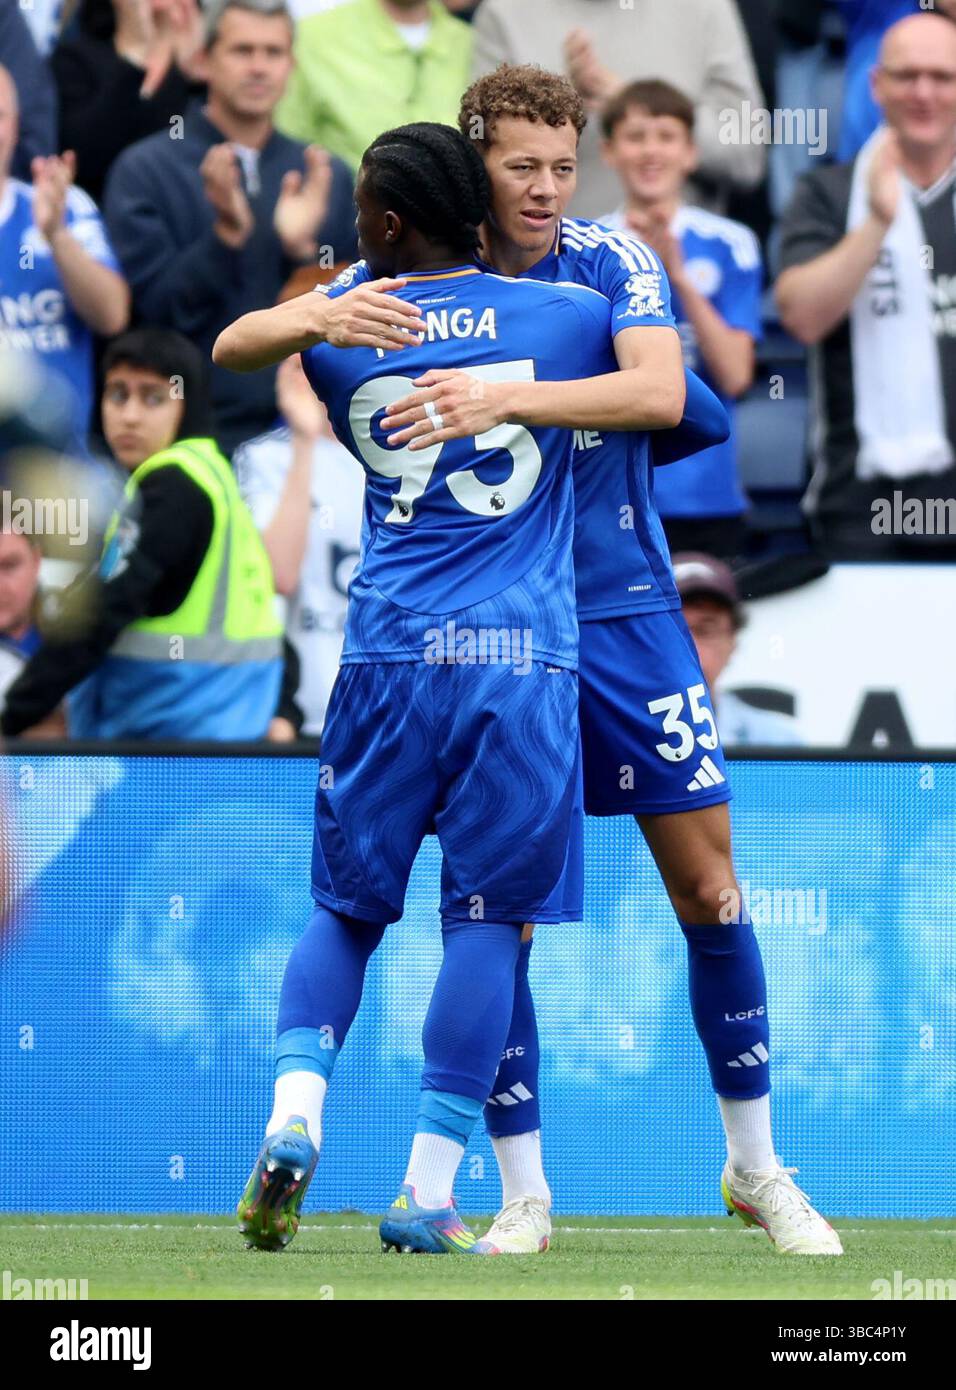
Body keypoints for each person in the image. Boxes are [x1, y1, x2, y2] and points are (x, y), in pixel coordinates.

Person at [376, 64, 841, 1256]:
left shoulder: (608, 260)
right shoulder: (419, 269)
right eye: (518, 166)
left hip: (627, 615)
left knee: (709, 890)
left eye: (557, 166)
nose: (542, 190)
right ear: (471, 159)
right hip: (498, 628)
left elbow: (659, 392)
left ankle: (754, 1167)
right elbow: (287, 348)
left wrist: (507, 392)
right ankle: (524, 1192)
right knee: (501, 911)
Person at [218, 121, 627, 1256]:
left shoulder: (343, 339)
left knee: (347, 909)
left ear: (388, 223)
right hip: (519, 666)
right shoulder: (569, 321)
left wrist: (315, 306)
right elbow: (667, 399)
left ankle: (294, 1117)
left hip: (387, 655)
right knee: (488, 926)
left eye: (361, 209)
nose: (353, 226)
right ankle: (426, 1189)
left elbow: (228, 346)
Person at [0, 328, 282, 741]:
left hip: (171, 754)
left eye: (153, 397)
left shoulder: (173, 486)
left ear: (187, 406)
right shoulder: (212, 474)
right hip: (211, 752)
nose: (130, 415)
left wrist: (11, 717)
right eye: (118, 394)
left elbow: (104, 614)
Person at [103, 0, 357, 456]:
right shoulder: (144, 170)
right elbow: (153, 317)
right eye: (242, 50)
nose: (259, 67)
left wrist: (303, 253)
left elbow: (350, 320)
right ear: (203, 59)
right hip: (188, 438)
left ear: (292, 64)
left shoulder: (328, 173)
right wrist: (224, 238)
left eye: (273, 52)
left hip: (309, 438)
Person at [776, 11, 956, 560]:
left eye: (942, 76)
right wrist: (876, 224)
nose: (923, 92)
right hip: (860, 507)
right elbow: (801, 316)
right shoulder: (829, 192)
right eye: (906, 76)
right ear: (877, 86)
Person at [599, 79, 762, 559]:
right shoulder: (585, 246)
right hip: (612, 494)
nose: (651, 151)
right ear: (609, 152)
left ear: (690, 153)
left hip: (706, 499)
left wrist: (678, 278)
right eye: (636, 137)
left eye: (666, 136)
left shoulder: (731, 242)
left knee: (708, 632)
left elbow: (735, 375)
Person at [469, 0, 766, 219]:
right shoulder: (504, 11)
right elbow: (478, 150)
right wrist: (557, 107)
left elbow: (747, 157)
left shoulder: (704, 8)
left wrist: (633, 104)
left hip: (686, 275)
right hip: (550, 270)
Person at [0, 63, 129, 458]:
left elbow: (112, 315)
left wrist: (57, 236)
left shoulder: (65, 207)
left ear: (16, 124)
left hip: (55, 478)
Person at [234, 354, 363, 735]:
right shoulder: (264, 457)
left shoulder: (396, 458)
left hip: (379, 704)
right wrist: (304, 442)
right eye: (300, 361)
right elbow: (278, 575)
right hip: (304, 708)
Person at [275, 0, 472, 173]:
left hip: (452, 211)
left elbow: (480, 136)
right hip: (346, 208)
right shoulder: (313, 37)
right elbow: (286, 145)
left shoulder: (472, 44)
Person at [52, 0, 206, 204]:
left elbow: (195, 150)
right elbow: (84, 159)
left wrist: (195, 83)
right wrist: (134, 57)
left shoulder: (197, 78)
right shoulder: (75, 59)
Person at [672, 552, 803, 747]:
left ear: (732, 643)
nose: (689, 649)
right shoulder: (614, 737)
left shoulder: (777, 742)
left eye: (705, 630)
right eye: (672, 631)